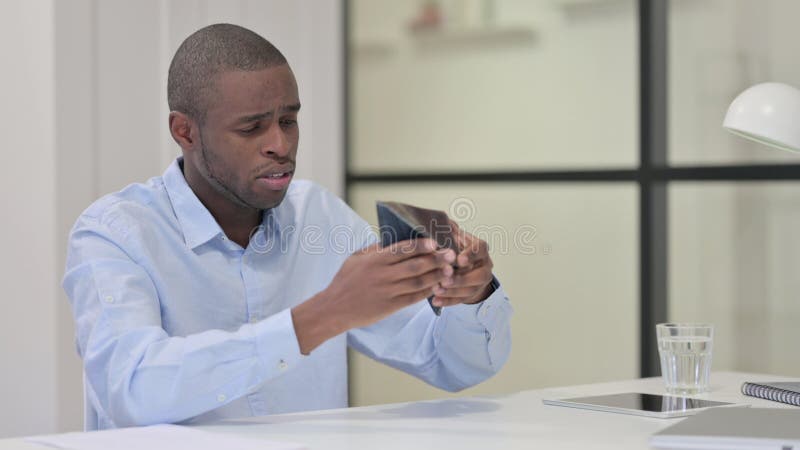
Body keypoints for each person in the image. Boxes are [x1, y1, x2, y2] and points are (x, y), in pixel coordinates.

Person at [63, 23, 512, 430]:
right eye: (251, 128)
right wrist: (322, 315)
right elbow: (132, 390)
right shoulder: (115, 232)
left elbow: (453, 366)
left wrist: (469, 298)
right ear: (185, 131)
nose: (280, 145)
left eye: (289, 120)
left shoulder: (318, 214)